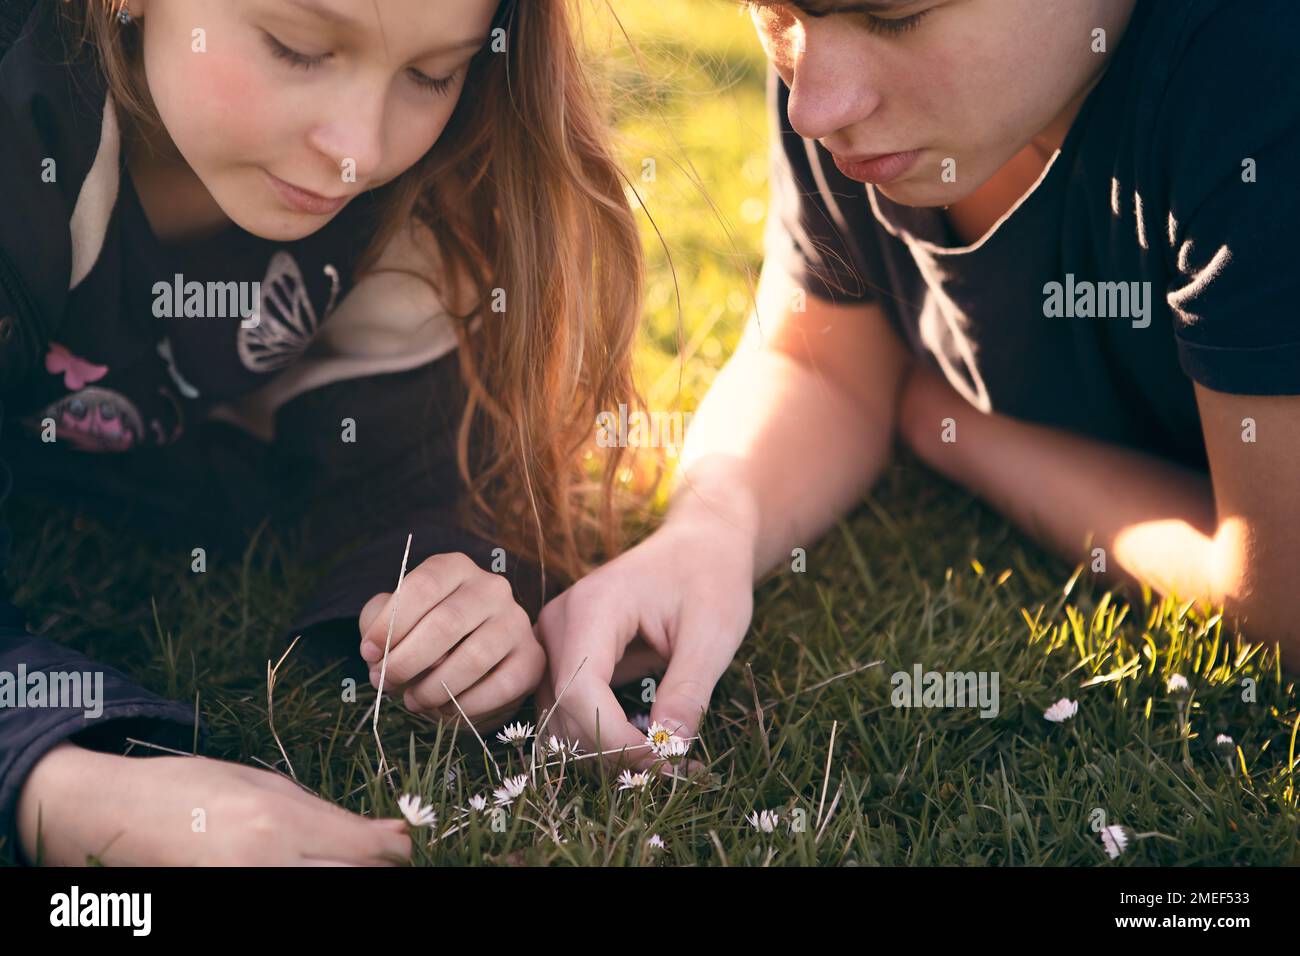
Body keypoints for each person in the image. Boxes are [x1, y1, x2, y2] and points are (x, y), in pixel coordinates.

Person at [536, 0, 1300, 762]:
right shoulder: (827, 70)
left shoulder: (1257, 76)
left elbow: (1279, 596)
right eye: (772, 11)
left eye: (895, 17)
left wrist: (961, 432)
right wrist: (709, 533)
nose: (812, 106)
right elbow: (821, 363)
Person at [0, 0, 643, 865]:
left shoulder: (420, 198)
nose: (360, 150)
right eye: (296, 48)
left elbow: (421, 479)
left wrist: (452, 599)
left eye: (430, 74)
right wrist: (61, 788)